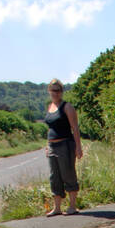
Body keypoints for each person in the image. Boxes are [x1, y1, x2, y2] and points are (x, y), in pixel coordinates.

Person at [44, 79, 82, 216]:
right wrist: (47, 145)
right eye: (53, 90)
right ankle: (57, 208)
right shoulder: (50, 107)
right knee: (54, 177)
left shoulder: (67, 107)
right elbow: (50, 128)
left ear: (61, 92)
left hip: (65, 144)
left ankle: (72, 206)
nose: (56, 93)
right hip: (52, 145)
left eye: (58, 90)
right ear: (49, 91)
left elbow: (75, 128)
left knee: (68, 173)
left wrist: (78, 147)